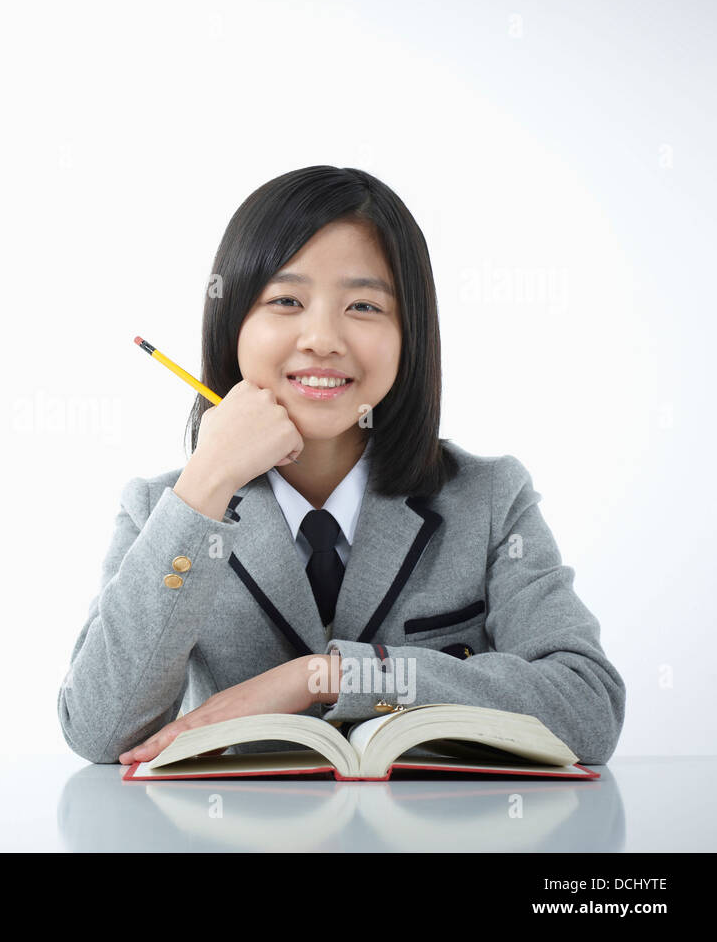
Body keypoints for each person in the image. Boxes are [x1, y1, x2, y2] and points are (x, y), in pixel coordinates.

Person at [56, 166, 626, 767]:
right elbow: (98, 731)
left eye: (362, 304)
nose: (322, 338)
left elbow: (588, 711)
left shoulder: (488, 498)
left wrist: (327, 676)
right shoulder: (165, 510)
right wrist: (206, 482)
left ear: (411, 334)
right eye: (286, 301)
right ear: (233, 327)